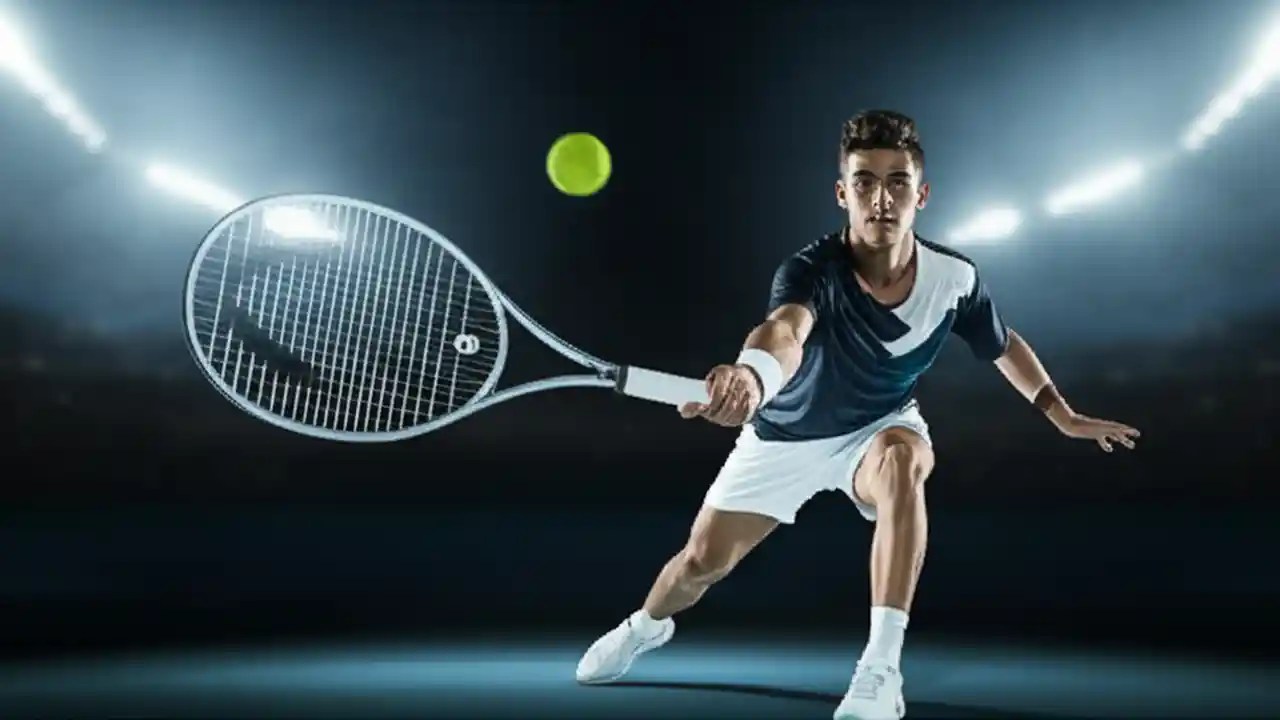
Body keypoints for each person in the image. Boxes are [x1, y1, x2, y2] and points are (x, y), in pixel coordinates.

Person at [574, 109, 1140, 720]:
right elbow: (784, 334)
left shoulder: (955, 278)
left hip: (878, 428)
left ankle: (880, 670)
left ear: (920, 195)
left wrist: (1061, 412)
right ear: (843, 194)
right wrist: (748, 376)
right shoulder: (810, 271)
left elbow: (1001, 342)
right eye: (864, 182)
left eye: (897, 182)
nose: (881, 198)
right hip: (783, 435)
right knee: (697, 564)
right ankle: (644, 627)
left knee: (903, 462)